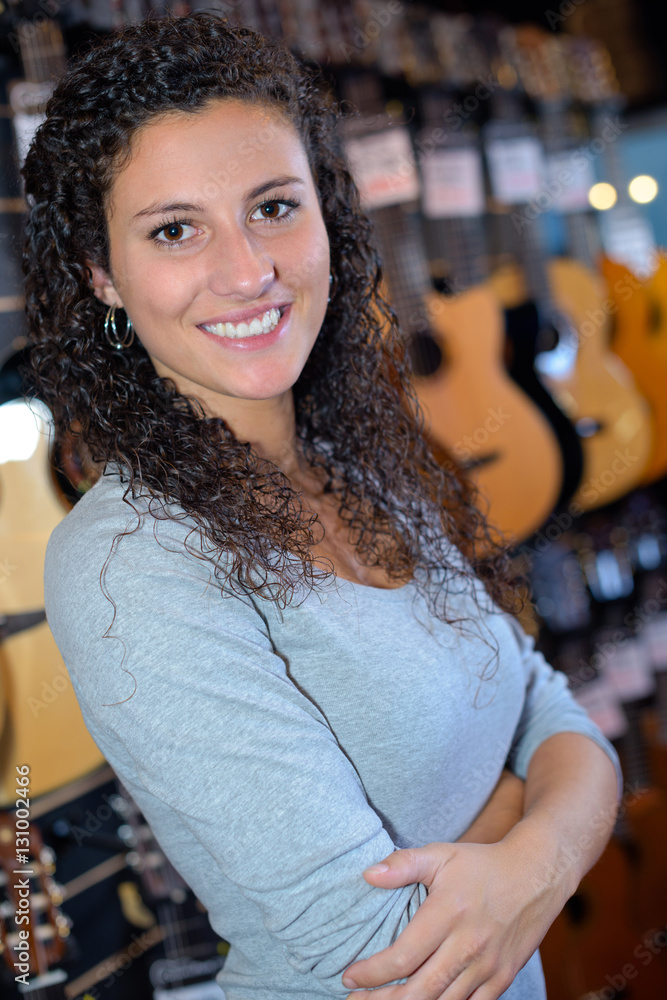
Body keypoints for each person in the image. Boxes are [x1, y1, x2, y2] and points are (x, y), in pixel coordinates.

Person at [24, 12, 622, 1000]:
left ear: (326, 215)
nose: (248, 269)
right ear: (103, 276)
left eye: (272, 206)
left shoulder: (365, 465)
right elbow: (370, 949)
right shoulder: (130, 562)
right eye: (175, 229)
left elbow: (559, 715)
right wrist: (550, 829)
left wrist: (527, 863)